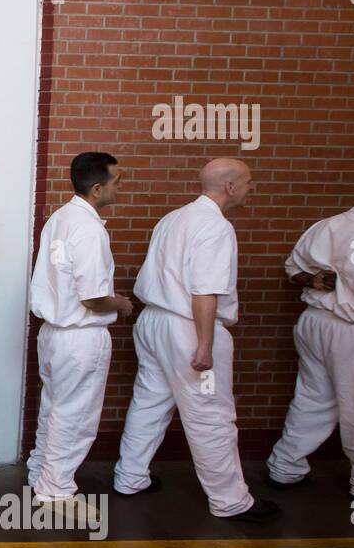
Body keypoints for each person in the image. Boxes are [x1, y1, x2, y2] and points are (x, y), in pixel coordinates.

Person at [112, 158, 279, 522]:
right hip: (188, 327)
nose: (253, 188)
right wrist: (204, 344)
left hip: (154, 320)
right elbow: (205, 291)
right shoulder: (215, 227)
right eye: (249, 182)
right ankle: (231, 501)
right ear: (231, 187)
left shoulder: (174, 217)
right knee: (210, 415)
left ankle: (130, 477)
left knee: (150, 400)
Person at [265, 164, 354, 515]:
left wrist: (313, 281)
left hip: (316, 324)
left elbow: (293, 269)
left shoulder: (326, 227)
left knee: (314, 398)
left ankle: (285, 467)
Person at [26, 152, 132, 506]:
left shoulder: (59, 218)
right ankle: (54, 491)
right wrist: (122, 302)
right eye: (117, 180)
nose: (121, 186)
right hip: (81, 335)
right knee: (76, 416)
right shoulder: (89, 229)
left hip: (54, 333)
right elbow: (93, 298)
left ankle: (40, 471)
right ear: (98, 188)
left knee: (54, 409)